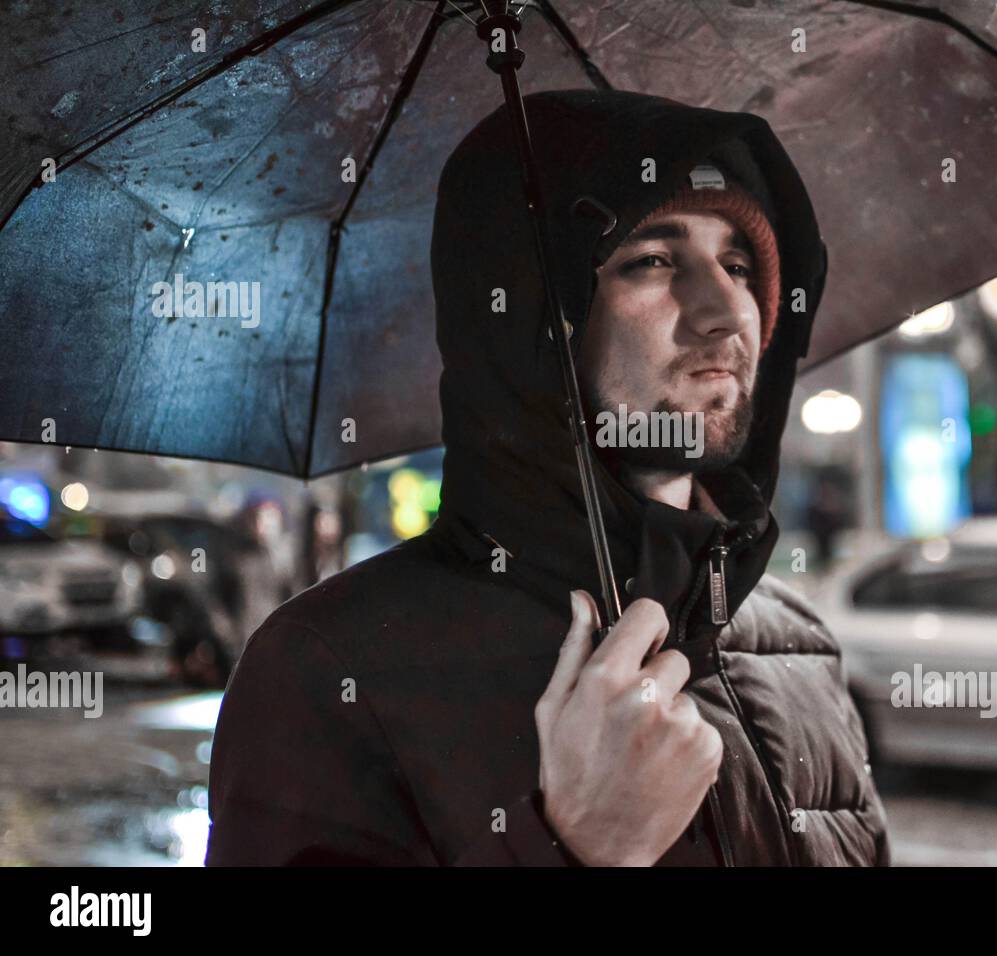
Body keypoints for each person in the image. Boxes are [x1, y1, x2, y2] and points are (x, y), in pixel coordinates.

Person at [205, 88, 890, 866]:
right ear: (530, 317)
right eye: (654, 260)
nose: (724, 311)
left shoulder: (800, 650)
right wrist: (581, 848)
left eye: (737, 264)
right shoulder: (330, 669)